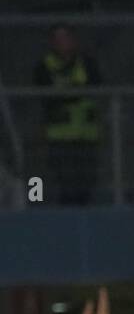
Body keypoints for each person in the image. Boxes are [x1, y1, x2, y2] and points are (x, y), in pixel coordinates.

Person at [33, 24, 101, 204]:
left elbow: (97, 87)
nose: (63, 43)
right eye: (58, 39)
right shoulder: (44, 66)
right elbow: (46, 96)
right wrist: (75, 93)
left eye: (66, 38)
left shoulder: (86, 62)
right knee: (63, 182)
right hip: (59, 136)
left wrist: (68, 93)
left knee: (86, 181)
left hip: (87, 135)